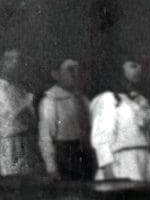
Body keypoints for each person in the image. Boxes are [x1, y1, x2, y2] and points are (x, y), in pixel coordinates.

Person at [90, 55, 150, 183]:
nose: (139, 69)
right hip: (123, 164)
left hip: (144, 162)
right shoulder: (108, 99)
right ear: (119, 70)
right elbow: (102, 139)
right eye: (133, 66)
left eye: (140, 66)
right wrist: (108, 170)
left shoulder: (141, 100)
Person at [38, 58, 93, 180]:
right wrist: (51, 166)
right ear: (56, 75)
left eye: (78, 69)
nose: (75, 73)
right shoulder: (50, 102)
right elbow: (45, 137)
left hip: (86, 155)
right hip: (65, 158)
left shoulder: (83, 100)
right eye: (70, 69)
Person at [0, 48, 39, 177]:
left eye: (18, 59)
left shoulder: (19, 89)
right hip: (7, 145)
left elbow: (31, 119)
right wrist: (26, 103)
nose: (15, 63)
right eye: (10, 59)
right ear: (2, 62)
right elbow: (8, 118)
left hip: (25, 143)